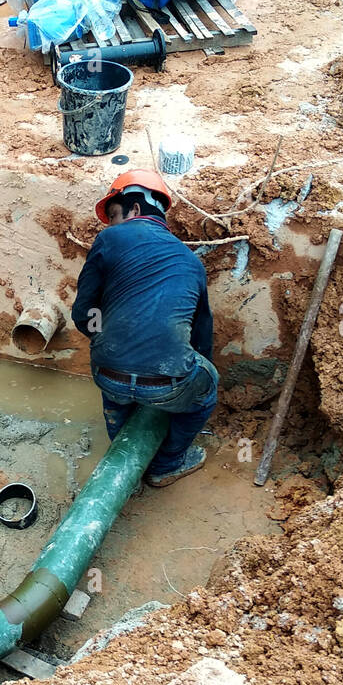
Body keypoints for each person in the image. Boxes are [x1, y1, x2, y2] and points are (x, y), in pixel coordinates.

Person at [70, 170, 219, 488]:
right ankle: (167, 464)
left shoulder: (111, 238)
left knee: (115, 389)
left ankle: (125, 469)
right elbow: (202, 338)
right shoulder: (192, 262)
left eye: (112, 215)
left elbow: (84, 312)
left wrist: (103, 338)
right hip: (168, 384)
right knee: (207, 389)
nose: (109, 224)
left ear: (134, 210)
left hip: (109, 376)